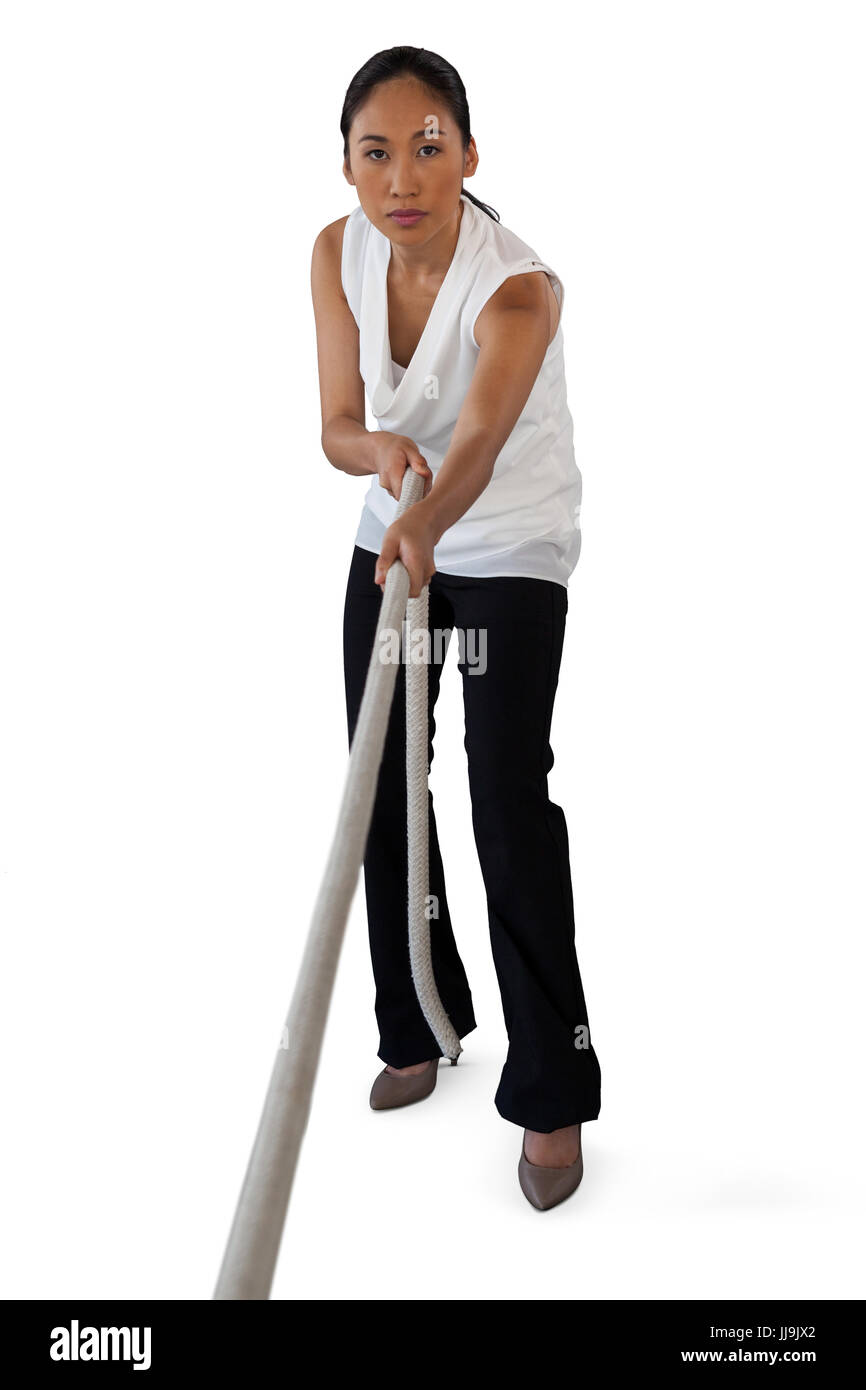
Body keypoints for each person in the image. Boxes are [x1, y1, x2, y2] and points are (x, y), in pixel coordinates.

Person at [310, 45, 601, 1211]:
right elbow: (335, 422)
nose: (402, 174)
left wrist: (428, 507)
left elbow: (477, 440)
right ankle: (419, 1019)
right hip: (396, 527)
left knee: (503, 798)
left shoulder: (516, 288)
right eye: (374, 151)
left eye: (428, 145)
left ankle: (551, 1088)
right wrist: (383, 461)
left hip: (507, 542)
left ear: (468, 155)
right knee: (380, 780)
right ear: (346, 168)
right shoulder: (334, 253)